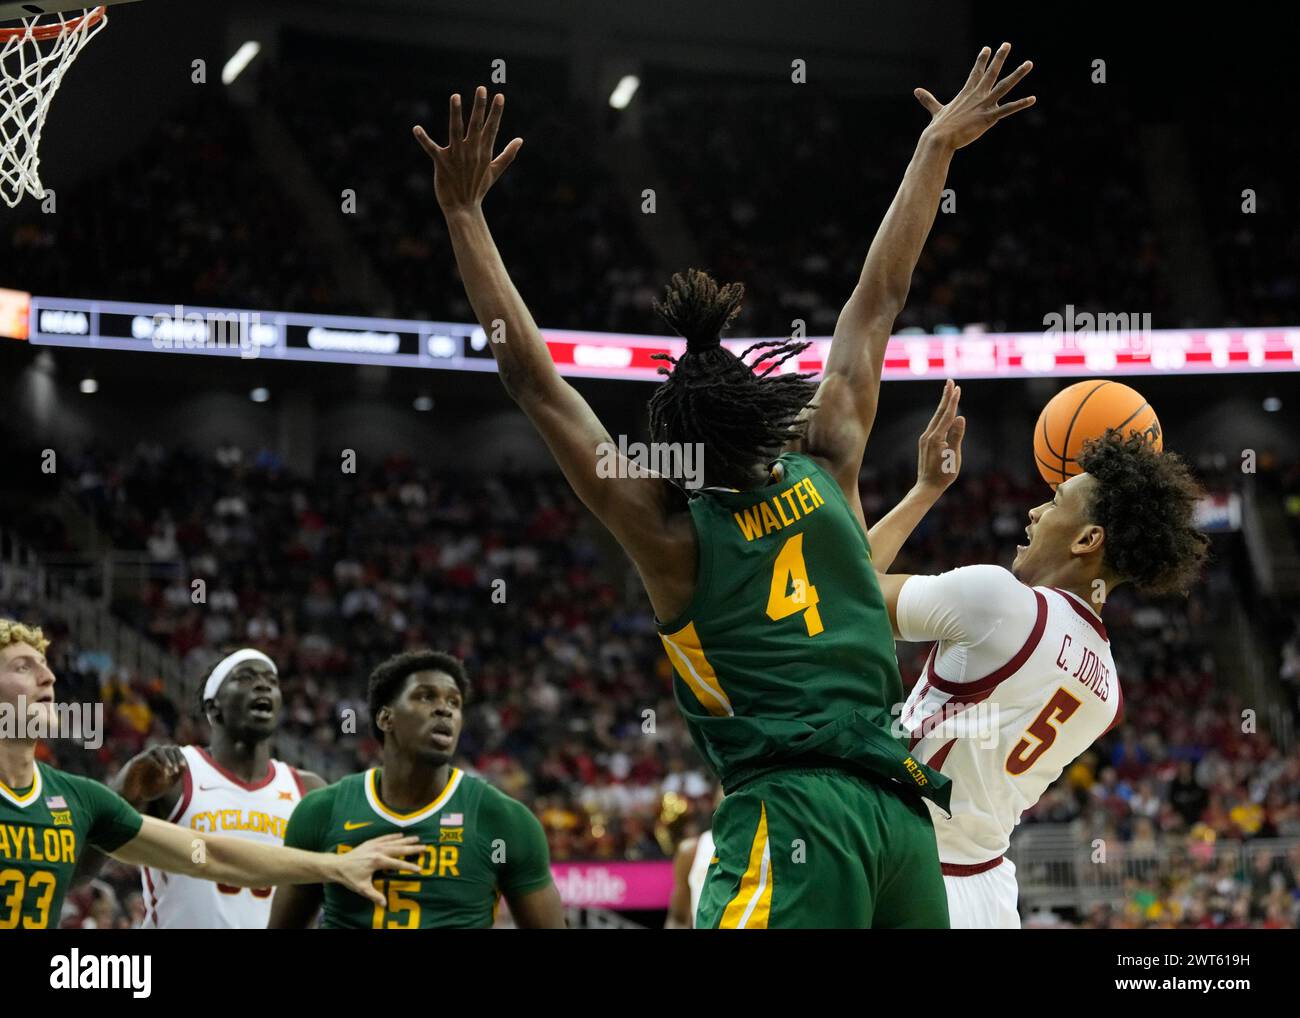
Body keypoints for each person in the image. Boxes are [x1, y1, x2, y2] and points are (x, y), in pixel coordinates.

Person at [414, 44, 1034, 927]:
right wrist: (933, 148)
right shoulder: (828, 454)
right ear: (764, 409)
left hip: (794, 815)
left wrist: (464, 214)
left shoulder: (671, 532)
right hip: (900, 822)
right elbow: (877, 297)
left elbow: (533, 380)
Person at [873, 422, 1209, 928]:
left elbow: (847, 589)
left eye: (1053, 502)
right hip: (989, 894)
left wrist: (924, 491)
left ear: (1087, 539)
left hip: (908, 879)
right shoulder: (1109, 692)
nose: (1033, 512)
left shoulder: (1000, 602)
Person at [0, 620, 422, 929]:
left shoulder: (77, 797)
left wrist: (336, 866)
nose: (49, 676)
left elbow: (211, 855)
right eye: (23, 667)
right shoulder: (173, 771)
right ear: (213, 706)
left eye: (45, 665)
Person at [268, 650, 565, 928]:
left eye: (454, 702)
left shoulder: (503, 820)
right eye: (425, 697)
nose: (444, 710)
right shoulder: (322, 811)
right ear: (386, 718)